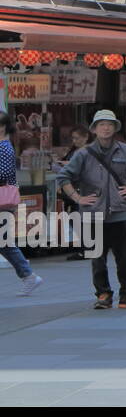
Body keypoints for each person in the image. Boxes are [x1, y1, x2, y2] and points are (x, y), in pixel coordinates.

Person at [57, 109, 126, 309]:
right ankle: (103, 294)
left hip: (120, 212)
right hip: (93, 214)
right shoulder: (83, 153)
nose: (106, 128)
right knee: (97, 258)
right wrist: (77, 197)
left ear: (115, 128)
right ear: (94, 129)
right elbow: (63, 176)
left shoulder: (124, 150)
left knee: (124, 257)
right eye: (101, 124)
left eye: (109, 124)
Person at [0, 112, 43, 295]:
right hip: (5, 201)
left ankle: (28, 275)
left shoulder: (4, 148)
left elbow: (4, 174)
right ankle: (28, 275)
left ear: (2, 127)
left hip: (3, 200)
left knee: (4, 242)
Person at [58, 126, 91, 257]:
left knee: (79, 218)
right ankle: (84, 247)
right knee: (75, 217)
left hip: (81, 189)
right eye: (73, 138)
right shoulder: (75, 151)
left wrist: (68, 165)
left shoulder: (87, 151)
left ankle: (85, 248)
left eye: (77, 138)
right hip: (71, 189)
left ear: (86, 137)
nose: (74, 141)